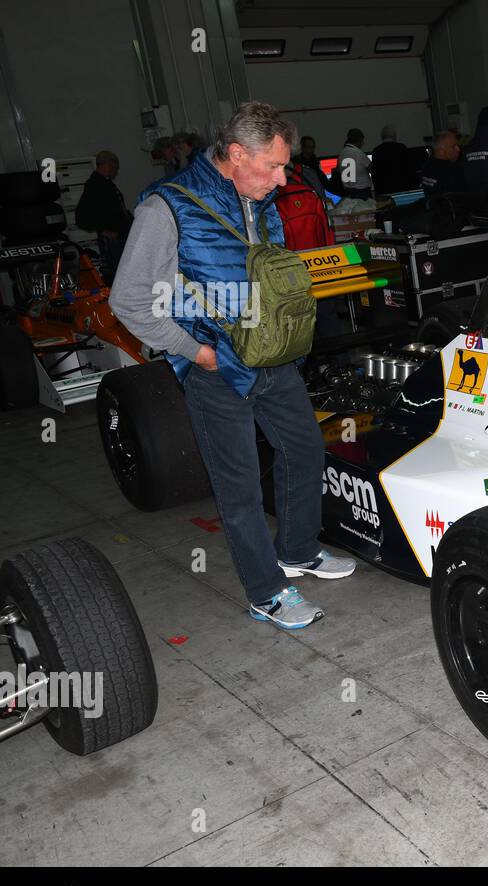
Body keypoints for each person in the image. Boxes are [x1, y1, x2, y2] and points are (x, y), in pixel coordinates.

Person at [108, 101, 354, 631]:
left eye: (285, 166)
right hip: (214, 368)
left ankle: (297, 551)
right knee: (239, 484)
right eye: (273, 166)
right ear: (236, 154)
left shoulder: (256, 196)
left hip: (273, 357)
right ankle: (266, 592)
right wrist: (195, 353)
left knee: (305, 448)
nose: (282, 178)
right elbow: (129, 299)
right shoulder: (167, 207)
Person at [75, 150, 132, 279]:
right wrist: (103, 231)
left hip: (119, 236)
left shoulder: (106, 183)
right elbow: (81, 217)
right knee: (118, 273)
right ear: (108, 165)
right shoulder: (95, 185)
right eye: (115, 168)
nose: (116, 171)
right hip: (112, 240)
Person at [420, 131, 468, 201]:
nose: (458, 149)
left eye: (458, 146)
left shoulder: (426, 166)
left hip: (434, 209)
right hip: (452, 210)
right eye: (453, 146)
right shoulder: (453, 170)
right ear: (441, 151)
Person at [369, 124, 408, 195]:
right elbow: (408, 168)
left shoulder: (376, 151)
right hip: (401, 187)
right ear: (395, 136)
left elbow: (374, 171)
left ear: (382, 137)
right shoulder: (402, 148)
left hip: (383, 190)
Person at [335, 128, 372, 198]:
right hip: (362, 192)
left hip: (348, 192)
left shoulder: (341, 154)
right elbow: (372, 170)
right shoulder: (358, 153)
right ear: (360, 140)